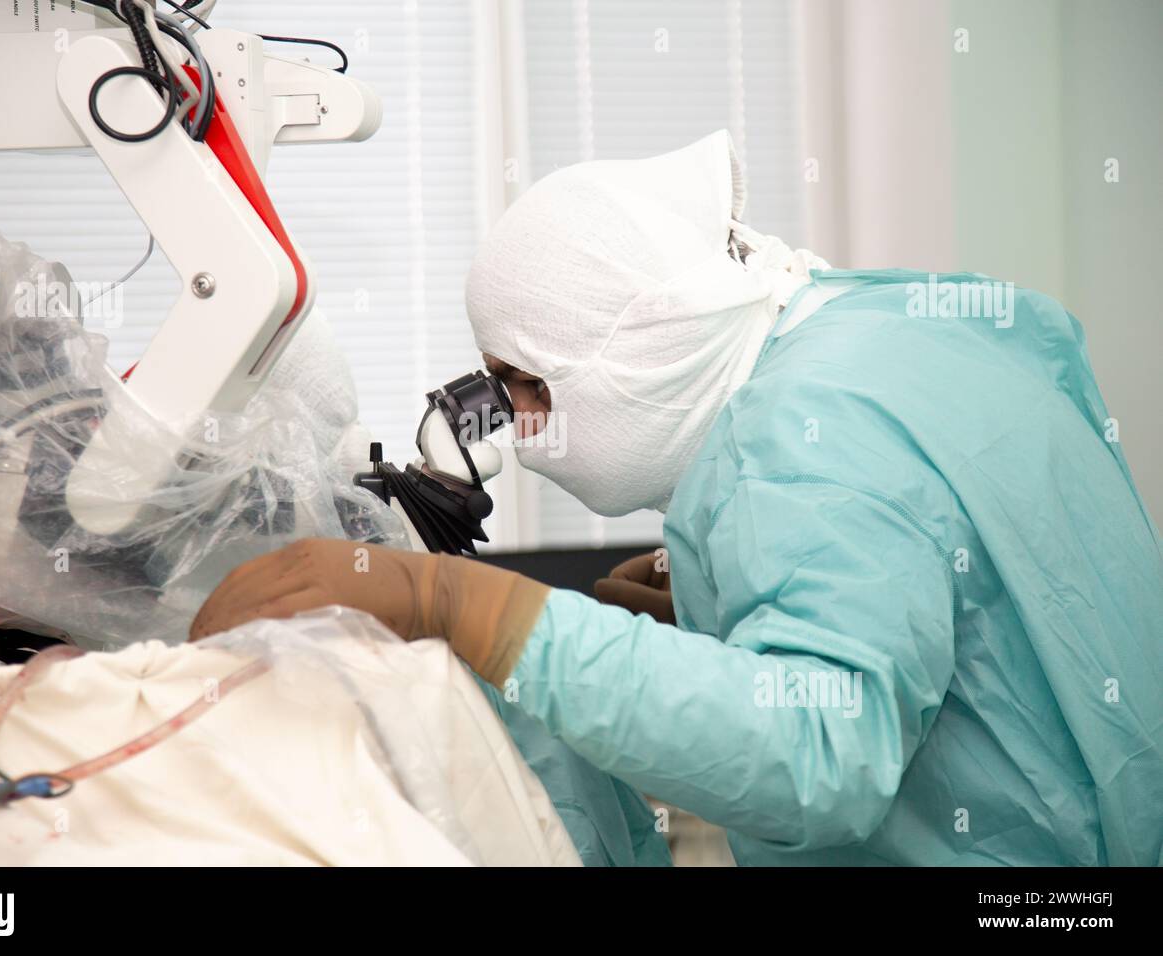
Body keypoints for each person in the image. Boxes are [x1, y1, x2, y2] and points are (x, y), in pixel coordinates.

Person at [192, 131, 1163, 866]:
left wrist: (452, 599)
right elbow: (957, 565)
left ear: (643, 339)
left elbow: (814, 752)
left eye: (526, 383)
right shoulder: (897, 321)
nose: (520, 430)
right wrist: (728, 610)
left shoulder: (791, 445)